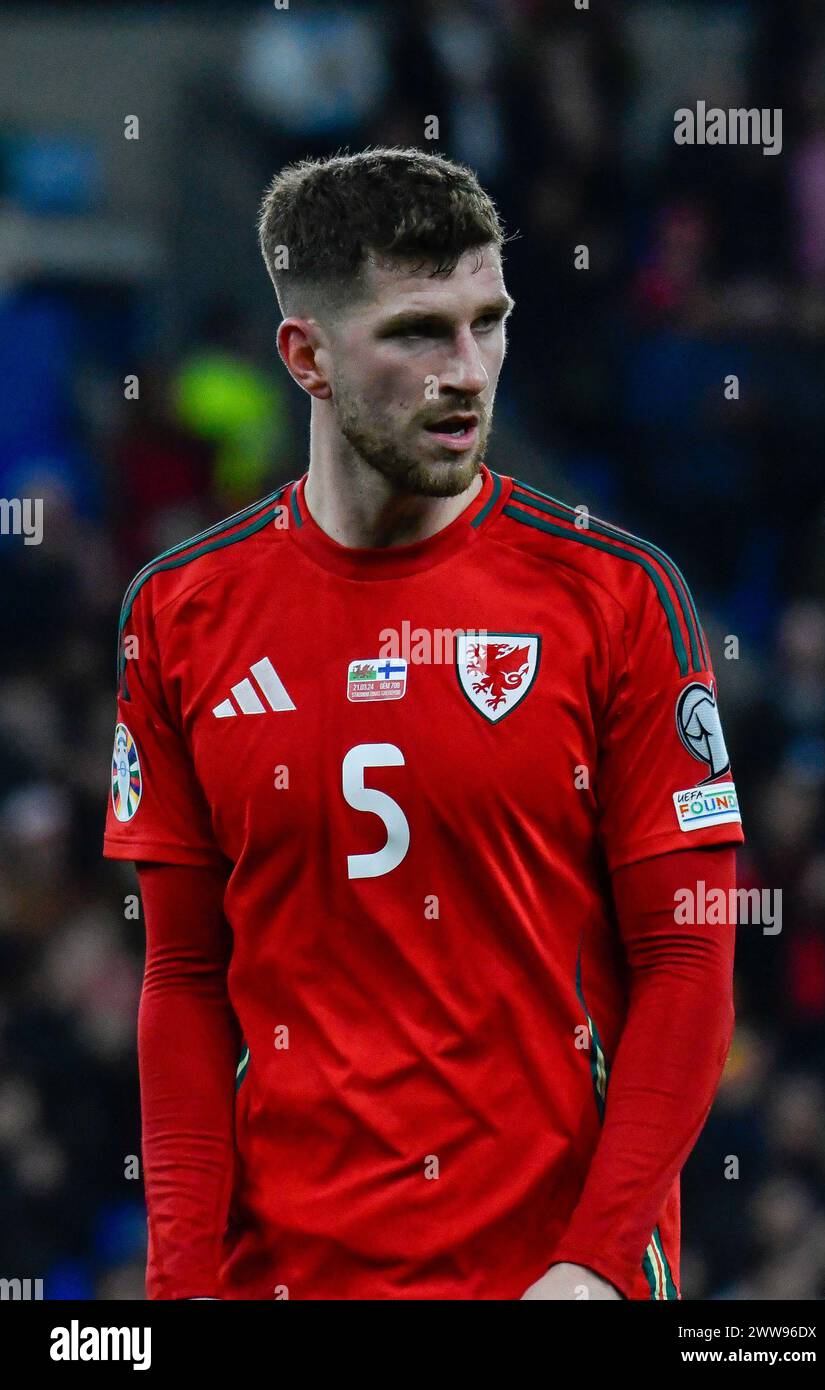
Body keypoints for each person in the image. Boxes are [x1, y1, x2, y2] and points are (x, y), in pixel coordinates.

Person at [104, 147, 743, 1300]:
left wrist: (594, 1266)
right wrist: (180, 1278)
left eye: (486, 322)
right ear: (305, 356)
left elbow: (688, 956)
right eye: (417, 332)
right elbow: (185, 975)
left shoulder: (614, 597)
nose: (469, 370)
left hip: (544, 1277)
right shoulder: (180, 615)